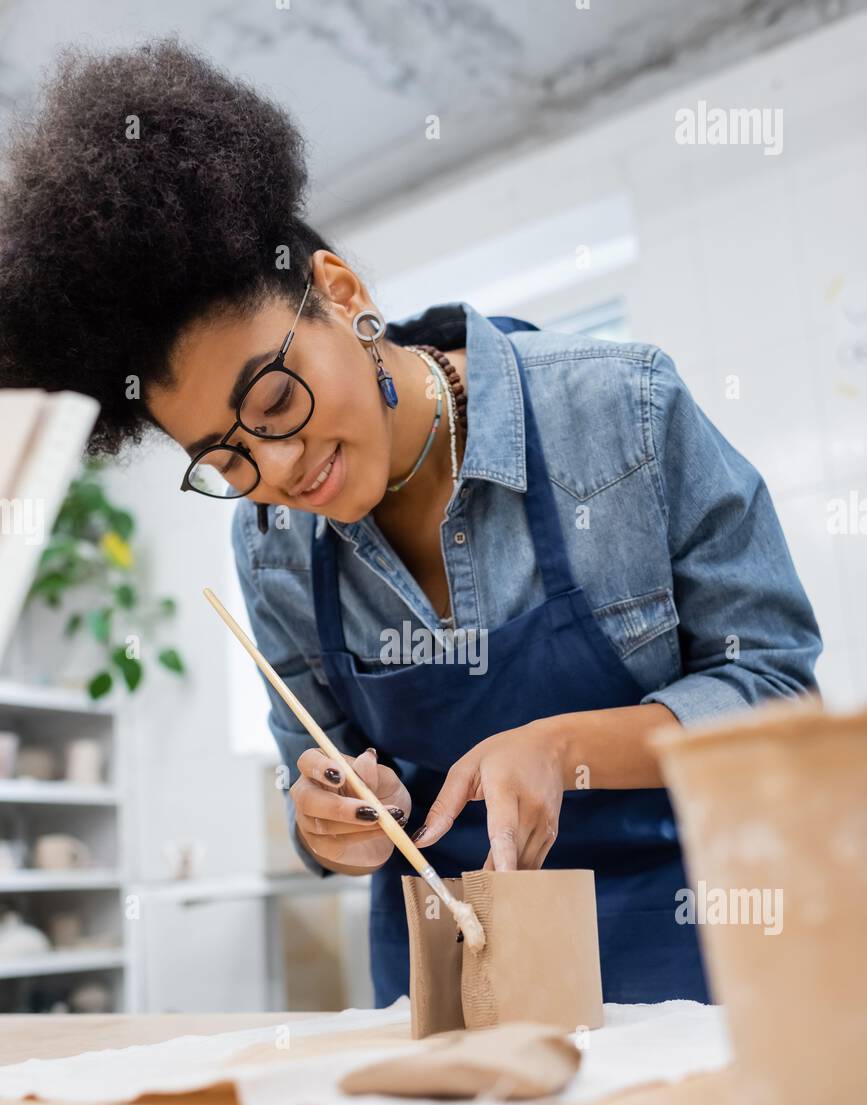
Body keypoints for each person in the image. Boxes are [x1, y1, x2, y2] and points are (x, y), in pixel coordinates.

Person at [0, 41, 822, 1006]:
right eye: (224, 459)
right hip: (455, 985)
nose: (277, 470)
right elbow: (314, 768)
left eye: (272, 403)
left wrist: (564, 748)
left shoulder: (621, 413)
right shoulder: (269, 548)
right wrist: (328, 819)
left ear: (343, 297)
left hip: (696, 960)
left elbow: (776, 696)